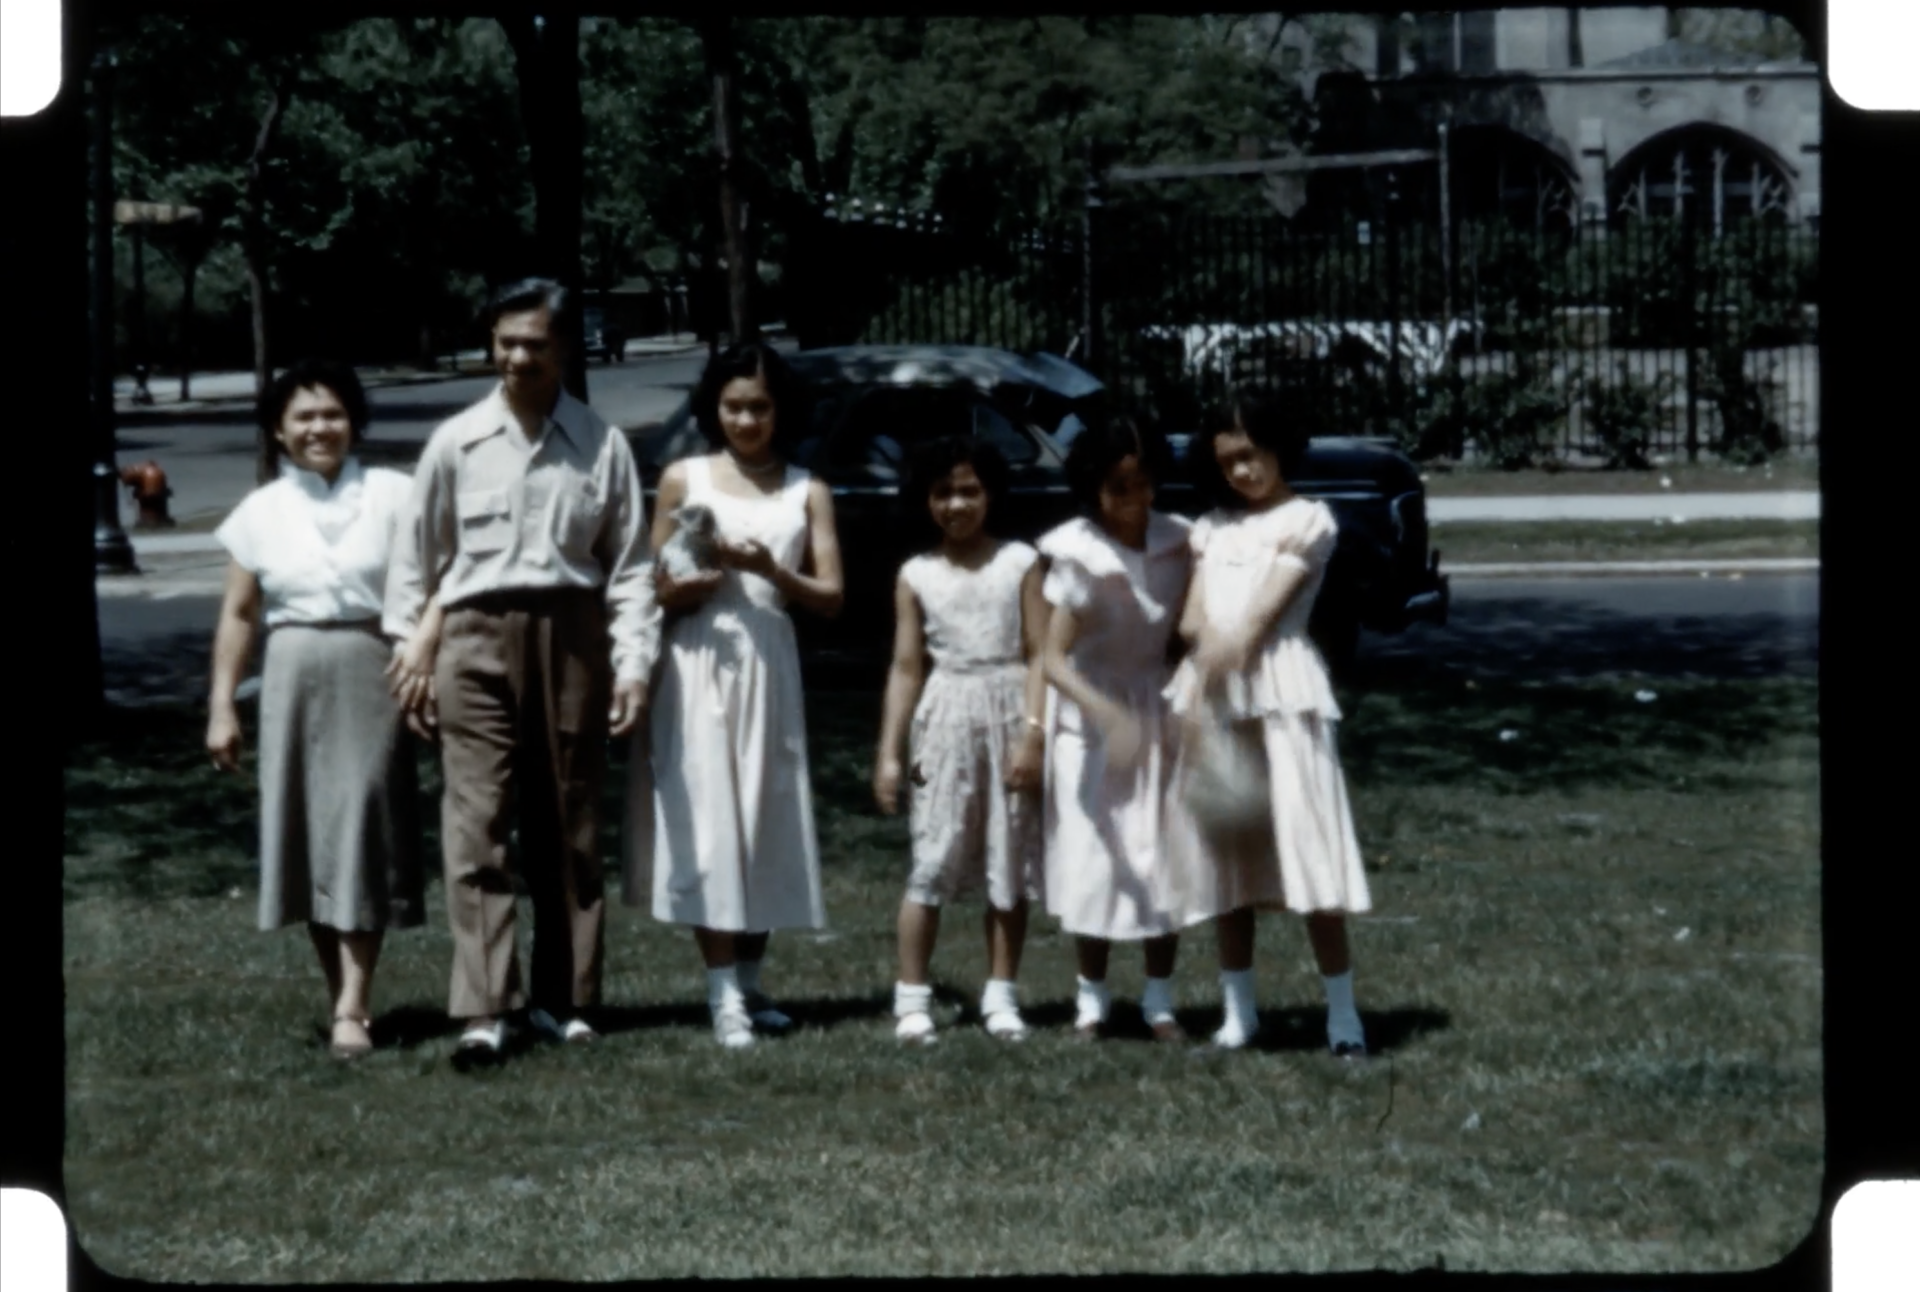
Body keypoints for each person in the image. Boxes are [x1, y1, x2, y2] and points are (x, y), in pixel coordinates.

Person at [383, 277, 658, 1069]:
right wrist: (412, 653)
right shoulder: (457, 443)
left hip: (572, 635)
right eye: (505, 343)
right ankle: (486, 1007)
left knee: (568, 821)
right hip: (473, 638)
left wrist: (633, 665)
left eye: (534, 344)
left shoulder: (600, 444)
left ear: (563, 347)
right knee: (477, 822)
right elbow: (416, 561)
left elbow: (631, 568)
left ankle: (565, 998)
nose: (517, 358)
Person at [206, 358, 435, 1060]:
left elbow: (438, 582)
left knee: (363, 822)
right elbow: (239, 614)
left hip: (375, 665)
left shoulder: (396, 494)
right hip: (293, 672)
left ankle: (354, 1004)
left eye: (332, 413)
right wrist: (222, 706)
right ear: (278, 430)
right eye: (302, 416)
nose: (319, 428)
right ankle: (344, 999)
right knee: (307, 833)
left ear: (354, 422)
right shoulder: (260, 511)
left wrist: (422, 650)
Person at [622, 340, 844, 1049]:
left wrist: (771, 570)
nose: (747, 421)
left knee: (764, 814)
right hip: (698, 659)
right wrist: (683, 586)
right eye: (734, 406)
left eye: (760, 407)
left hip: (769, 660)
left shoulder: (806, 489)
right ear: (713, 408)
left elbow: (832, 595)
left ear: (782, 410)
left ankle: (750, 981)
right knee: (712, 819)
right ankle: (721, 993)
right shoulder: (684, 479)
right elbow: (648, 585)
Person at [1164, 388, 1372, 1058]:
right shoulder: (1210, 529)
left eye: (1253, 455)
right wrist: (1203, 665)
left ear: (1280, 449)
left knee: (1309, 845)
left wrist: (1217, 654)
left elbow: (1259, 619)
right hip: (1216, 697)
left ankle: (1343, 1017)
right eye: (1229, 461)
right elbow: (1192, 619)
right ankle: (1239, 1014)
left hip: (1281, 690)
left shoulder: (1308, 522)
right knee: (1227, 850)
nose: (1243, 471)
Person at [1035, 415, 1208, 1042]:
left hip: (1158, 710)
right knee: (1095, 858)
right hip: (1091, 715)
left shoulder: (1179, 542)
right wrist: (1104, 712)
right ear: (1094, 488)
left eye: (1144, 483)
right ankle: (1092, 1000)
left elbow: (1193, 628)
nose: (1135, 498)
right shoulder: (1077, 553)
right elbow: (1052, 659)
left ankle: (1159, 1000)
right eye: (1118, 487)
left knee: (1161, 854)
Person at [872, 437, 1048, 1045]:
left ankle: (1001, 994)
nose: (957, 504)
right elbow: (905, 667)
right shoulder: (916, 574)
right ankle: (912, 998)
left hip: (1009, 713)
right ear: (925, 500)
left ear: (990, 494)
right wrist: (890, 754)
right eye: (943, 492)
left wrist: (1033, 735)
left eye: (969, 491)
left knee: (1009, 855)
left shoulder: (1020, 562)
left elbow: (1039, 653)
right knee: (932, 852)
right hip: (942, 722)